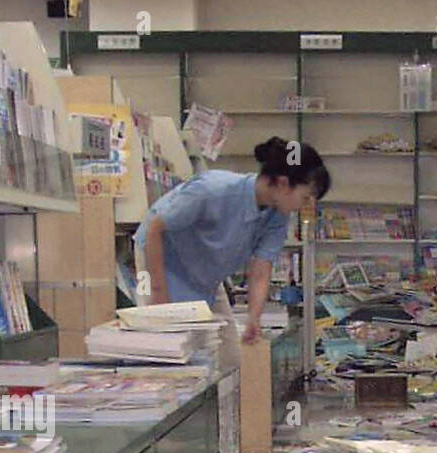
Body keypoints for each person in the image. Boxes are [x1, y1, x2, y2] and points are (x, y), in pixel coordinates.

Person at [134, 137, 330, 355]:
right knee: (169, 349)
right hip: (161, 261)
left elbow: (261, 270)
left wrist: (254, 317)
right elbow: (155, 229)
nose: (307, 205)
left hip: (205, 273)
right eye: (305, 197)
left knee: (228, 355)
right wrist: (158, 293)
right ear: (283, 184)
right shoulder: (213, 190)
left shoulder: (278, 215)